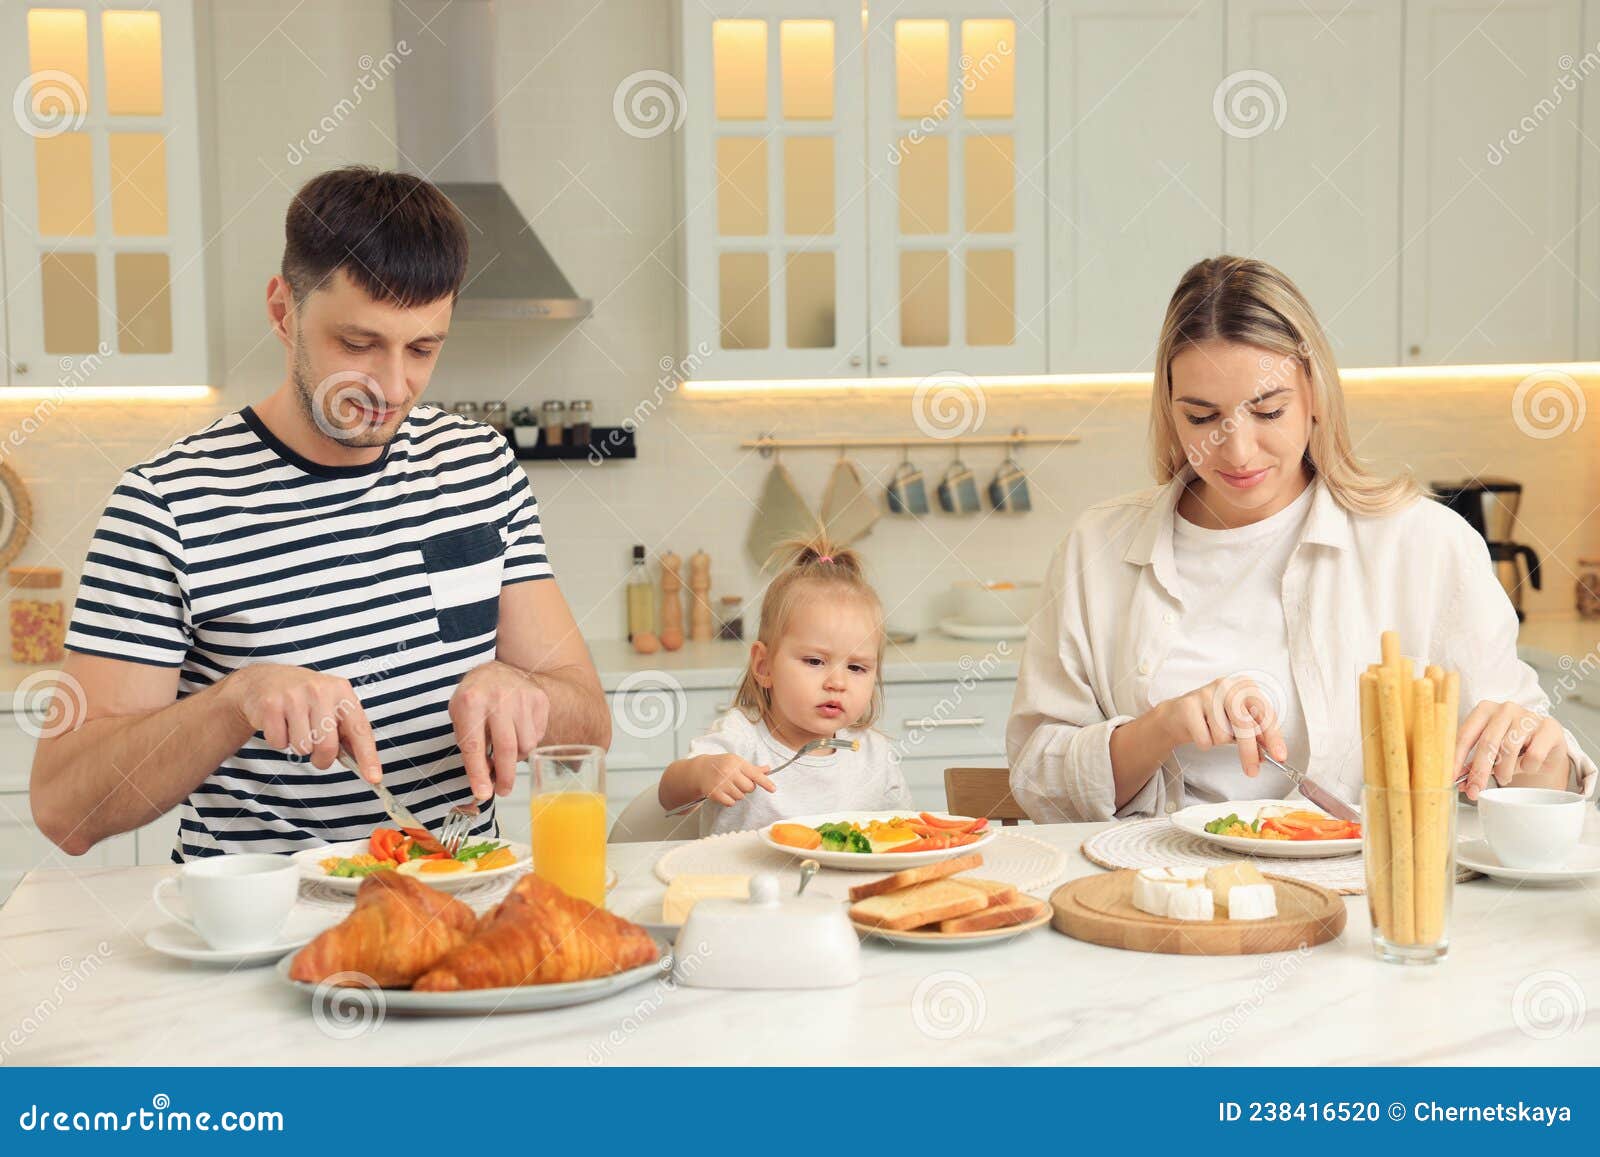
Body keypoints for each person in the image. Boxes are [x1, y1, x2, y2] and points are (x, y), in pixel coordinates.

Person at [31, 166, 609, 860]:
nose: (392, 387)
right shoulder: (166, 506)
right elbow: (65, 807)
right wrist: (234, 700)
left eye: (423, 349)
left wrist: (522, 688)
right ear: (283, 311)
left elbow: (590, 719)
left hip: (458, 902)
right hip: (263, 937)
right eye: (358, 345)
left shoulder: (479, 467)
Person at [1006, 255, 1597, 822]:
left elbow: (1532, 776)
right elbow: (1039, 781)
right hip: (1156, 896)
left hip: (1364, 902)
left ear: (1315, 396)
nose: (1236, 452)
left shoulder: (1426, 545)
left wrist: (1536, 754)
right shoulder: (1096, 549)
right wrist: (1161, 726)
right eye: (1202, 418)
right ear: (1168, 408)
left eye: (1267, 412)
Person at [656, 537, 911, 834]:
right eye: (815, 662)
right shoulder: (741, 738)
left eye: (856, 667)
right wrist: (703, 772)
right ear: (764, 666)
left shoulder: (873, 754)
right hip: (737, 881)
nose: (837, 683)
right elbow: (668, 794)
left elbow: (901, 833)